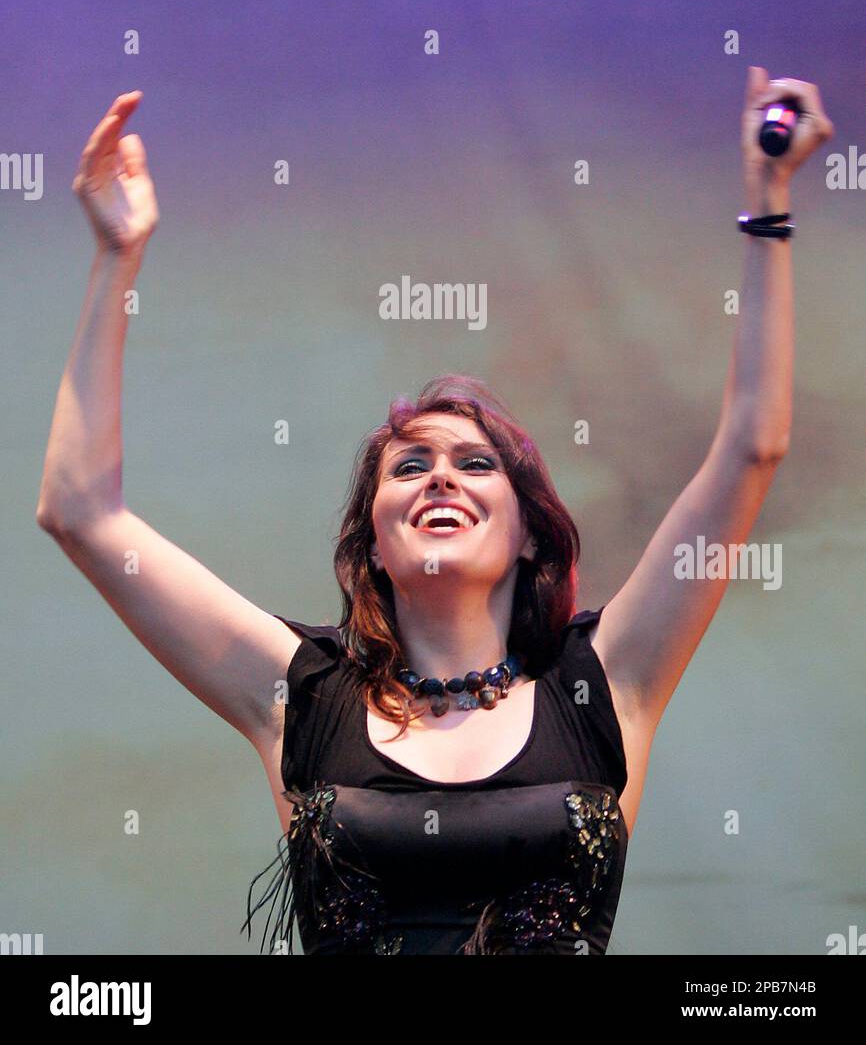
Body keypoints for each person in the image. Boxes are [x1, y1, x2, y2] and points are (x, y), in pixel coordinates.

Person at [36, 69, 834, 954]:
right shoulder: (302, 694)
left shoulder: (607, 681)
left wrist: (769, 210)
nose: (440, 479)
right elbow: (79, 511)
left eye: (474, 463)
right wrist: (118, 260)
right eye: (408, 467)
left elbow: (751, 450)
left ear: (530, 531)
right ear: (372, 540)